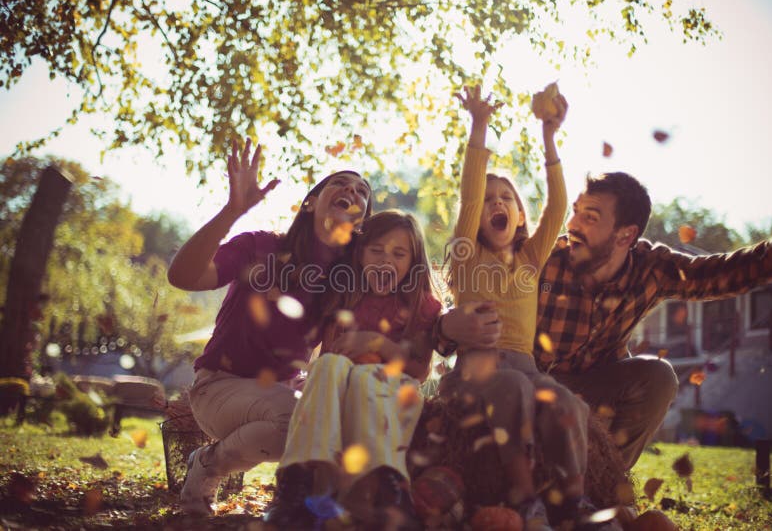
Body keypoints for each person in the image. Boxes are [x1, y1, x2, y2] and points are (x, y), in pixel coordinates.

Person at [438, 173, 772, 473]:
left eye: (590, 217)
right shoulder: (542, 257)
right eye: (575, 212)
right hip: (518, 387)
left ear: (625, 235)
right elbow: (471, 291)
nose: (572, 225)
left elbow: (715, 275)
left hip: (589, 393)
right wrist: (445, 328)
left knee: (658, 376)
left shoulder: (650, 270)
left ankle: (602, 486)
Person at [167, 137, 373, 516]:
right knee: (296, 419)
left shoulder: (344, 284)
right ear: (310, 203)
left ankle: (310, 509)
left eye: (362, 191)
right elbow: (182, 276)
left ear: (360, 225)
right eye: (340, 183)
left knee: (338, 416)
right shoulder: (260, 247)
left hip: (282, 392)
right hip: (218, 388)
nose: (352, 191)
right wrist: (231, 211)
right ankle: (208, 464)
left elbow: (331, 361)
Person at [437, 84, 593, 530]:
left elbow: (558, 206)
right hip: (475, 371)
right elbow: (470, 194)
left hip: (526, 367)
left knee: (564, 400)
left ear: (520, 216)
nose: (496, 203)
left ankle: (573, 501)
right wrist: (479, 125)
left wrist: (549, 139)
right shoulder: (467, 255)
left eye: (506, 198)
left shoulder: (530, 260)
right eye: (489, 201)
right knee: (513, 386)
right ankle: (525, 498)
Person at [263, 210, 442, 529]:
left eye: (398, 254)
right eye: (376, 250)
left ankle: (387, 486)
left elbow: (418, 370)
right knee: (328, 364)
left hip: (394, 393)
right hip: (346, 394)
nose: (386, 260)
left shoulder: (420, 303)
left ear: (413, 261)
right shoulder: (345, 298)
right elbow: (331, 360)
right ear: (360, 254)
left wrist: (377, 343)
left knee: (364, 376)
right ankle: (296, 482)